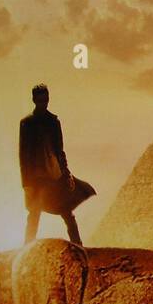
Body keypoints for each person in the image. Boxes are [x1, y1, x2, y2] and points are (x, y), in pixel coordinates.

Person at [19, 82, 95, 246]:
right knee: (34, 213)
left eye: (45, 99)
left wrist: (66, 173)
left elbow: (60, 150)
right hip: (36, 177)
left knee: (66, 211)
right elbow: (24, 156)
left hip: (54, 174)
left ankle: (79, 246)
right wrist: (26, 184)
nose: (43, 103)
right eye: (40, 100)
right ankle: (26, 248)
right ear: (34, 100)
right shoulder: (26, 123)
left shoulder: (54, 122)